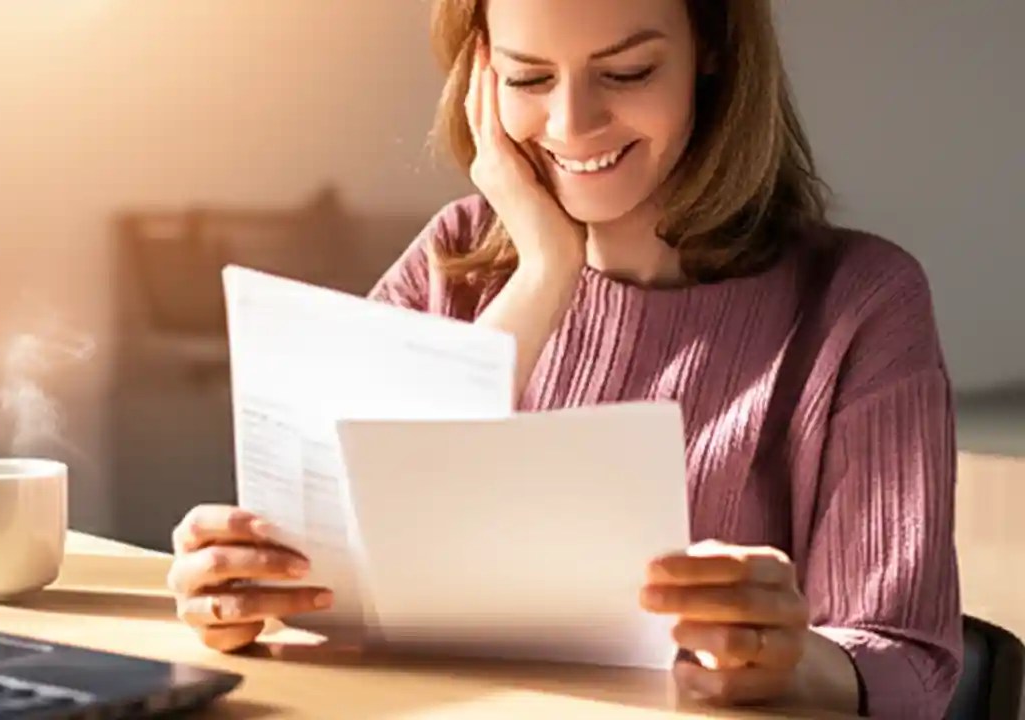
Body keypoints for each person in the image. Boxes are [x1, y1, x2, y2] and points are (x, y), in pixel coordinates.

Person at [166, 0, 962, 716]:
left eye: (627, 71)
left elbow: (911, 665)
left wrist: (792, 660)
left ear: (711, 45)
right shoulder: (455, 256)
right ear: (482, 74)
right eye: (529, 77)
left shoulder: (858, 302)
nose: (572, 125)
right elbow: (336, 548)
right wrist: (237, 585)